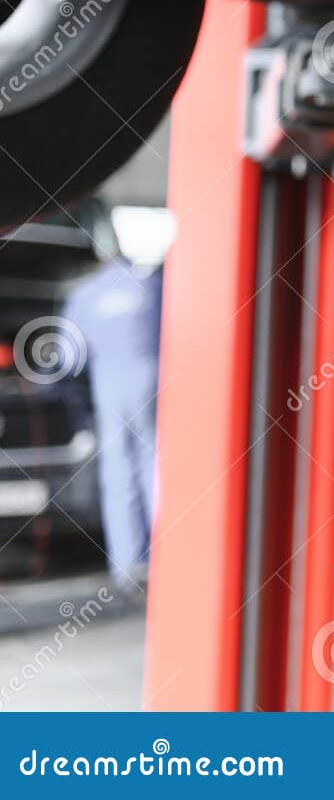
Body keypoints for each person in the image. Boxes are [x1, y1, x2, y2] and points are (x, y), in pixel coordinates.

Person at [60, 216, 166, 597]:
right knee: (156, 468)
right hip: (155, 379)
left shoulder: (84, 295)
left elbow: (65, 359)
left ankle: (126, 569)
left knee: (119, 476)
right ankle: (167, 561)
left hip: (110, 385)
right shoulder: (152, 285)